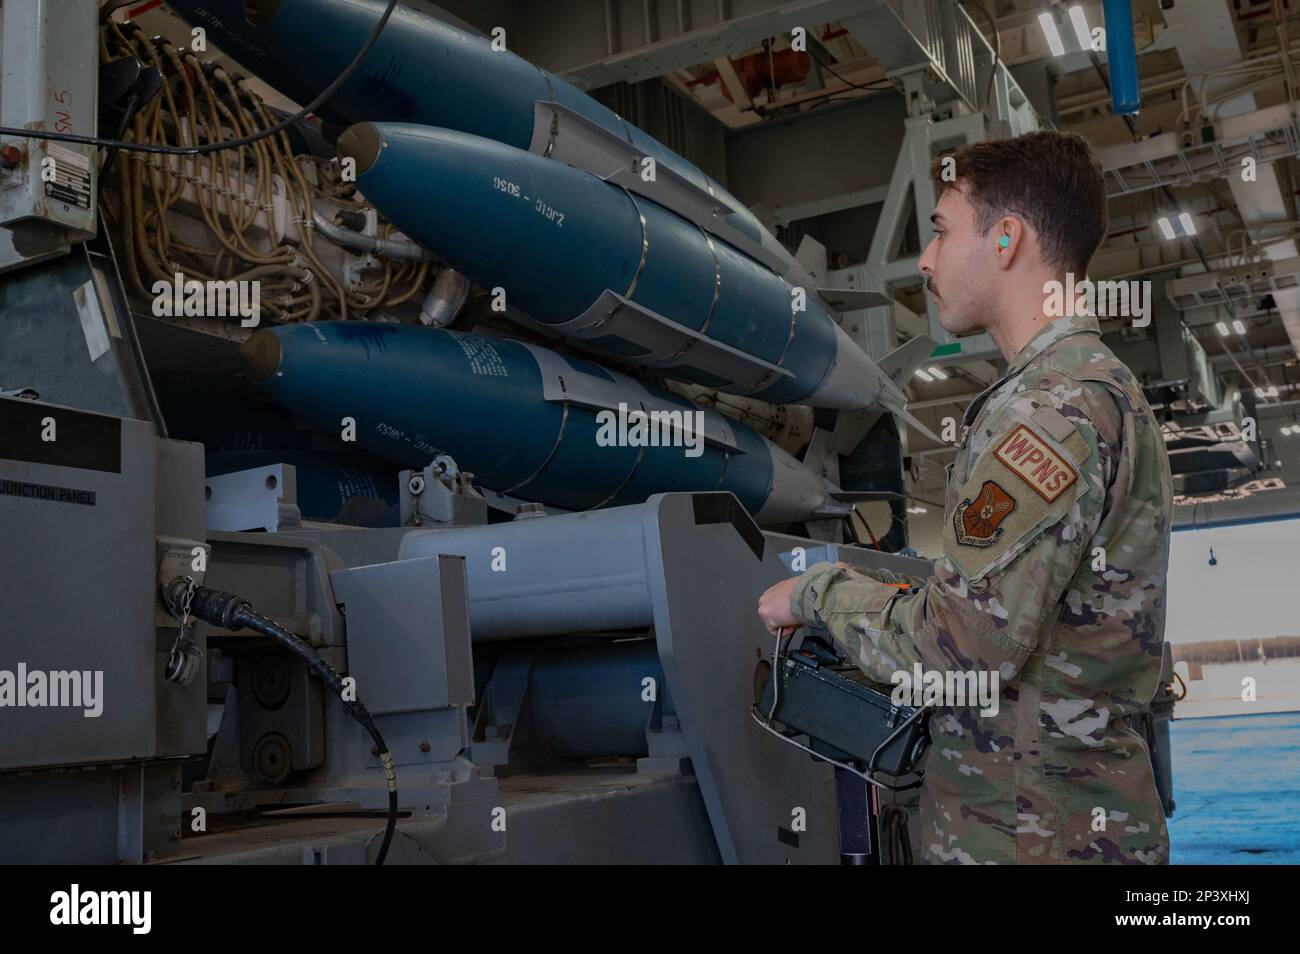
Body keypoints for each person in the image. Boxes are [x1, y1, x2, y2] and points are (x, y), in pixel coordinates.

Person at [757, 130, 1173, 865]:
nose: (925, 258)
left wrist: (818, 594)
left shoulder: (1051, 409)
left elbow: (962, 647)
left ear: (1006, 239)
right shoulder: (1099, 389)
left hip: (1031, 837)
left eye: (944, 229)